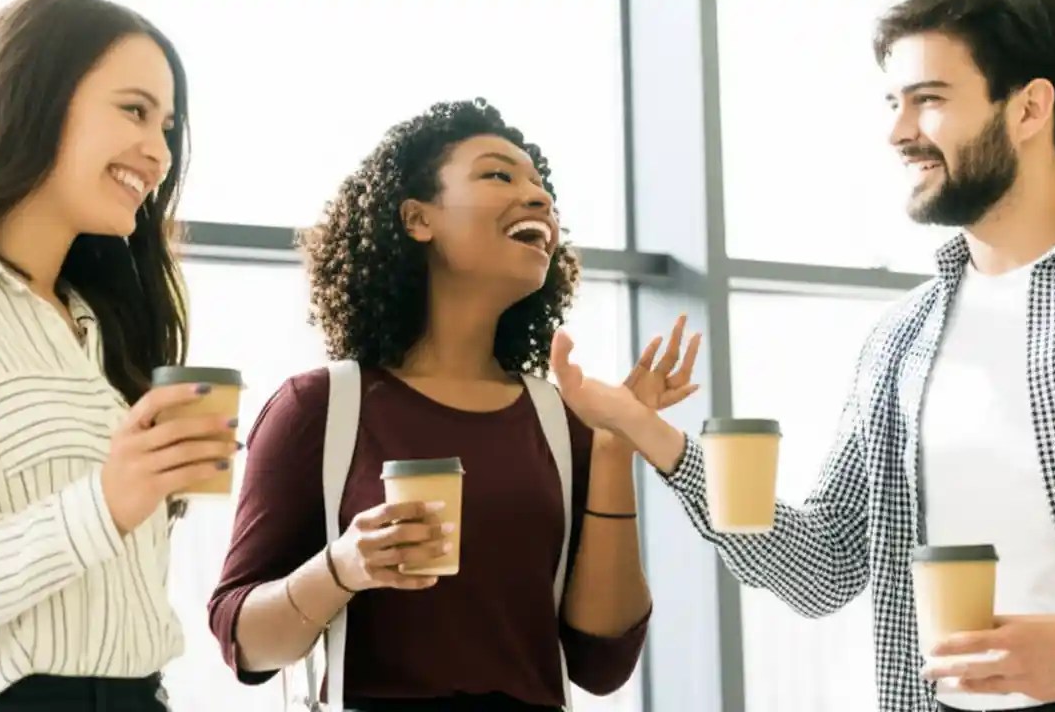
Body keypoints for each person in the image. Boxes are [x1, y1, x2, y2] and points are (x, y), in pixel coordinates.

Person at [549, 0, 1055, 711]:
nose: (897, 132)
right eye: (892, 102)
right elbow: (823, 566)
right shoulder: (903, 336)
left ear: (1029, 108)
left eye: (928, 99)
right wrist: (649, 434)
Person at [207, 99, 698, 712]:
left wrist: (615, 441)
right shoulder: (320, 408)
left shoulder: (561, 422)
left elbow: (603, 663)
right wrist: (343, 568)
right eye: (499, 175)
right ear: (418, 219)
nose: (539, 199)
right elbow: (243, 641)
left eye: (542, 187)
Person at [0, 0, 233, 709]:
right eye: (134, 111)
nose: (160, 152)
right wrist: (103, 504)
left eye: (166, 126)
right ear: (34, 100)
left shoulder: (98, 327)